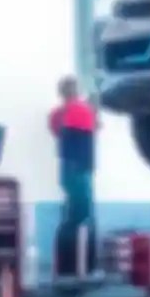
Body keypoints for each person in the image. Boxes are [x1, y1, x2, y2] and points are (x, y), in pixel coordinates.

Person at [49, 76, 98, 230]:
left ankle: (73, 237)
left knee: (73, 204)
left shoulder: (58, 113)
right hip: (83, 162)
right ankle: (79, 237)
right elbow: (96, 127)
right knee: (82, 206)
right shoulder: (86, 109)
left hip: (71, 162)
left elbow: (56, 131)